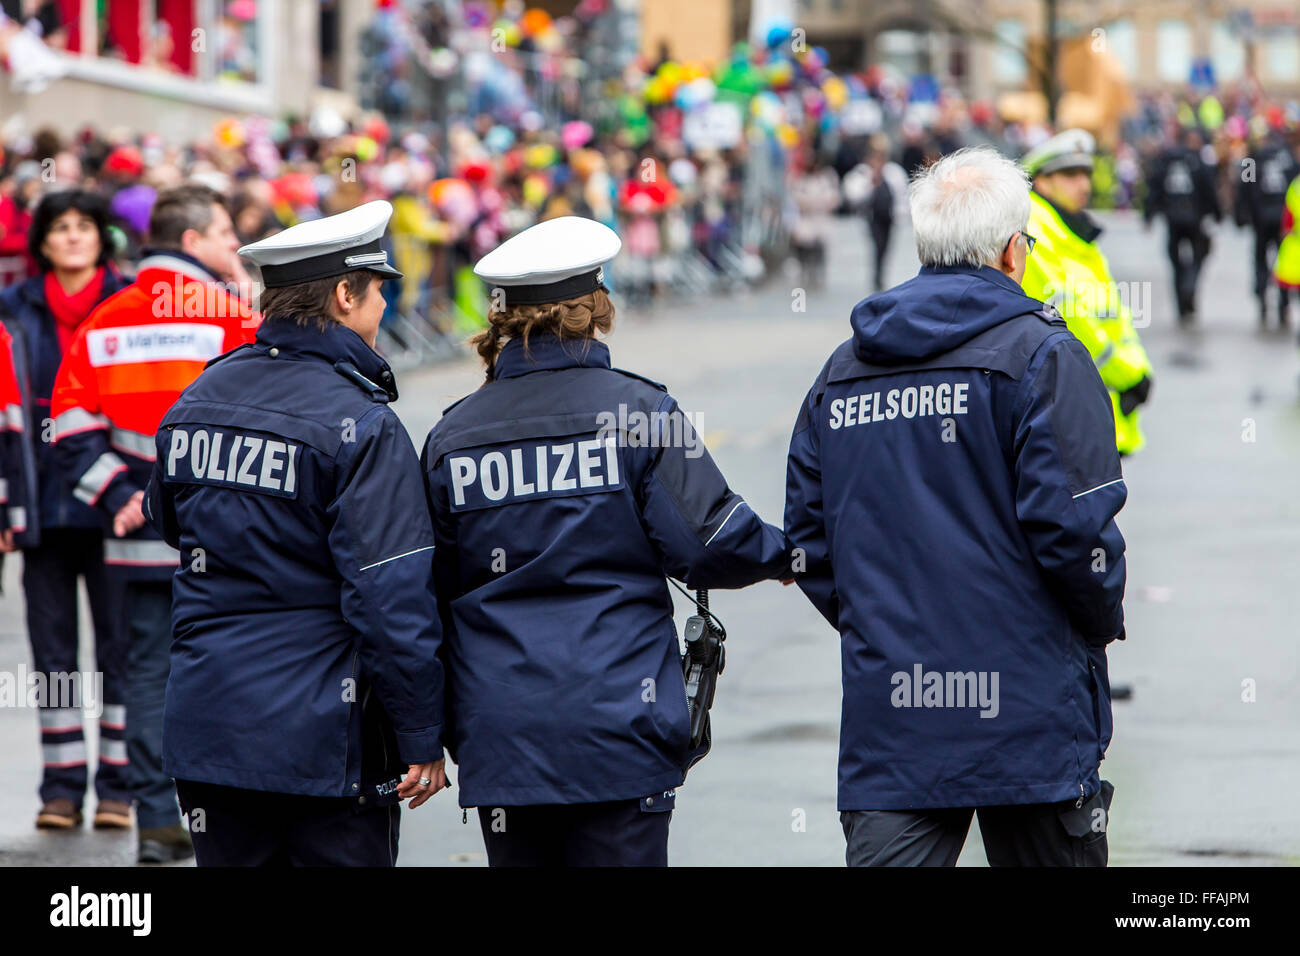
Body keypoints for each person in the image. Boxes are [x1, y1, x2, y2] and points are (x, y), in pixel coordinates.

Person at [785, 148, 1127, 867]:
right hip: (1030, 708)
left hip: (896, 718)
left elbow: (808, 539)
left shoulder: (842, 372)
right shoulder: (1043, 355)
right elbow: (1076, 531)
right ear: (1013, 251)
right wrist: (1095, 627)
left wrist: (879, 622)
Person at [421, 216, 790, 867]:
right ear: (595, 308)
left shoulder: (453, 437)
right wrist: (787, 554)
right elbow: (709, 543)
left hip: (505, 735)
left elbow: (430, 595)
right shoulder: (643, 413)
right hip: (619, 727)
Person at [144, 200, 448, 867]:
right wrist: (422, 732)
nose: (381, 313)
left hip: (209, 725)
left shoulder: (197, 398)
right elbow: (391, 596)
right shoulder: (361, 423)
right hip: (321, 740)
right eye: (375, 296)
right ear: (344, 295)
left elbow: (165, 520)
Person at [49, 183, 257, 863]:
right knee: (227, 671)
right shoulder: (233, 316)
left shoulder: (104, 319)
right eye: (226, 233)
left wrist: (120, 495)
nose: (235, 245)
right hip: (224, 543)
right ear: (193, 242)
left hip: (137, 538)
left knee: (145, 674)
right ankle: (222, 815)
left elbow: (70, 425)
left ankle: (158, 823)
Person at [0, 190, 133, 830]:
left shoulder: (131, 304)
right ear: (43, 241)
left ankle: (118, 784)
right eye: (61, 227)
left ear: (100, 237)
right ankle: (60, 786)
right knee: (53, 653)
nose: (74, 236)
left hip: (116, 504)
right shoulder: (12, 309)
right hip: (43, 506)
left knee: (121, 647)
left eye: (85, 225)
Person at [1021, 129, 1154, 456]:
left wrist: (1138, 368)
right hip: (1070, 418)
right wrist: (1128, 375)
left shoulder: (1072, 232)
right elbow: (1070, 321)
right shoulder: (1036, 234)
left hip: (1093, 412)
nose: (1083, 184)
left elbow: (1115, 316)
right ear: (1041, 181)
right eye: (1069, 174)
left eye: (1085, 174)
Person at [1143, 126, 1221, 324]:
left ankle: (1183, 299)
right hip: (1193, 217)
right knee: (1196, 256)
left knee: (1177, 262)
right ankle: (1189, 287)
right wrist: (1216, 214)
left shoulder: (1166, 159)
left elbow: (1154, 187)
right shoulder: (1198, 161)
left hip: (1173, 217)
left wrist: (1149, 213)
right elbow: (1209, 189)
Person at [1237, 129, 1300, 328]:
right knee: (1282, 263)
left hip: (1261, 218)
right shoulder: (1288, 157)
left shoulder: (1252, 159)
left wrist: (1242, 215)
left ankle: (1262, 295)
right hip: (1282, 218)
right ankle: (1283, 305)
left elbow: (1244, 187)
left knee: (1260, 259)